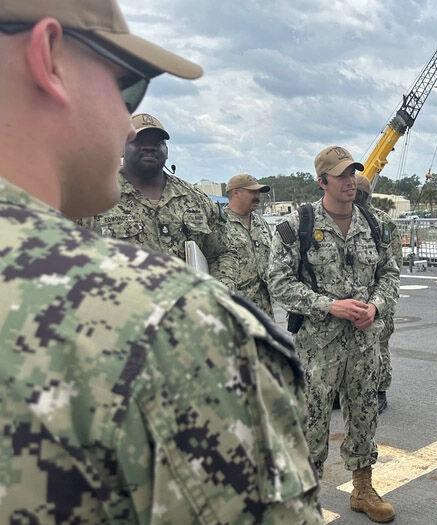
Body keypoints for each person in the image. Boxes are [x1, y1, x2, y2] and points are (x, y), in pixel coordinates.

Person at [0, 2, 321, 523]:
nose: (129, 130)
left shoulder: (187, 207)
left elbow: (230, 249)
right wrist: (209, 312)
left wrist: (223, 289)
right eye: (127, 86)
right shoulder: (174, 330)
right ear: (48, 59)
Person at [268, 146, 400, 523]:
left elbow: (389, 274)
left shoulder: (374, 225)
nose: (351, 181)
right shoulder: (298, 227)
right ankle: (307, 499)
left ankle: (362, 488)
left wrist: (374, 306)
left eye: (353, 174)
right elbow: (278, 281)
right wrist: (329, 305)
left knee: (363, 414)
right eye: (342, 175)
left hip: (364, 343)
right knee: (312, 422)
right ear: (322, 180)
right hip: (317, 347)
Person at [79, 112, 226, 267]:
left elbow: (223, 253)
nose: (149, 147)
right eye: (138, 141)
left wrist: (217, 288)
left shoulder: (196, 199)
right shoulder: (93, 200)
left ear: (167, 151)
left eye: (158, 142)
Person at [354, 175, 403, 414]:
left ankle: (379, 390)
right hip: (354, 298)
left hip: (378, 299)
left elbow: (394, 265)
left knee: (379, 345)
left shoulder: (381, 222)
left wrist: (380, 300)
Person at [216, 173, 274, 315]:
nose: (258, 196)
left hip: (265, 310)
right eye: (253, 192)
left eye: (259, 192)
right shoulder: (219, 223)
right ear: (236, 193)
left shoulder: (261, 223)